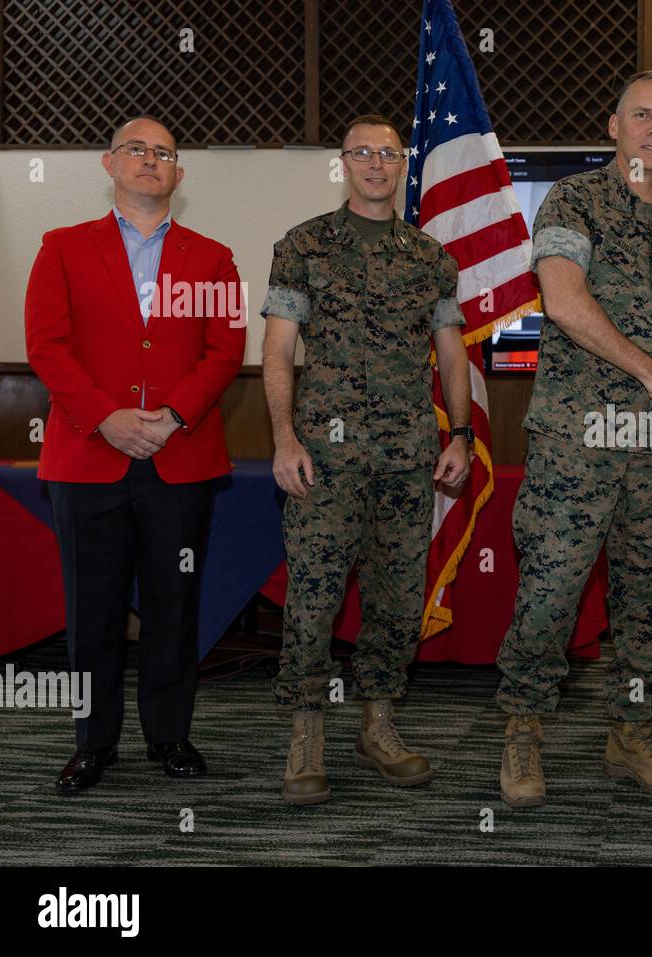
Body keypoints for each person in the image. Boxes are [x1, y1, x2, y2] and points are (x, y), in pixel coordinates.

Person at [495, 70, 652, 809]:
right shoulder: (571, 201)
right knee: (551, 591)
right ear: (612, 126)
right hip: (576, 440)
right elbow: (561, 298)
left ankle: (631, 731)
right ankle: (523, 728)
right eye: (640, 115)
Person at [25, 116, 245, 792]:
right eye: (138, 150)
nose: (152, 160)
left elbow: (225, 350)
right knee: (92, 613)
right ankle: (94, 744)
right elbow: (47, 347)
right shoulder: (60, 248)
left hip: (180, 460)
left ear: (178, 174)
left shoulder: (213, 258)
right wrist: (108, 418)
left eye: (165, 153)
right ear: (108, 163)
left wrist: (173, 415)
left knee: (174, 606)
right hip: (89, 459)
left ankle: (169, 734)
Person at [261, 114, 473, 805]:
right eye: (363, 153)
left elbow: (449, 354)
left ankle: (379, 723)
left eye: (389, 153)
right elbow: (278, 349)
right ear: (344, 163)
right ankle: (307, 731)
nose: (377, 164)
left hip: (407, 459)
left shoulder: (432, 259)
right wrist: (284, 437)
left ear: (402, 163)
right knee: (314, 599)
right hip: (322, 460)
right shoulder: (303, 246)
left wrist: (463, 434)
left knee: (396, 600)